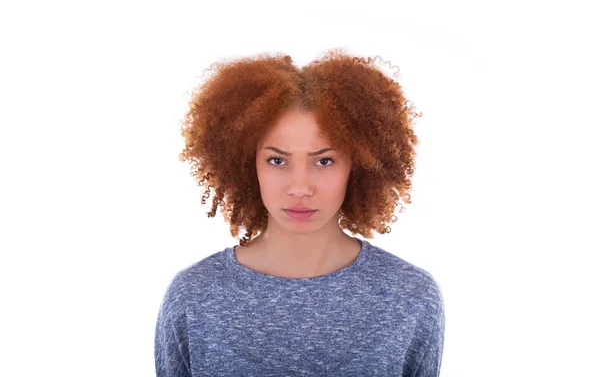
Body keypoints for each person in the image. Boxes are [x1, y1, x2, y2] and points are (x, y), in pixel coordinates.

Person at [154, 48, 445, 376]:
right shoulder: (194, 297)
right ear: (247, 165)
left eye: (324, 161)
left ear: (360, 165)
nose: (300, 187)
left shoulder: (409, 297)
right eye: (277, 160)